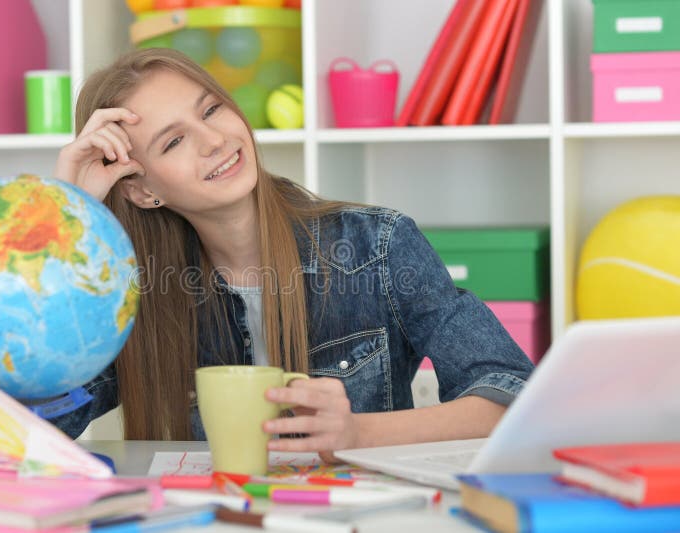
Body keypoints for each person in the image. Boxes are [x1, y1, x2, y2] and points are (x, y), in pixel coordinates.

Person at [50, 48, 534, 460]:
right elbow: (27, 427)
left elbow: (513, 397)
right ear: (142, 191)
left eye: (212, 110)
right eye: (174, 141)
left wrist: (358, 435)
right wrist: (67, 224)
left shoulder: (378, 247)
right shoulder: (136, 291)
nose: (215, 140)